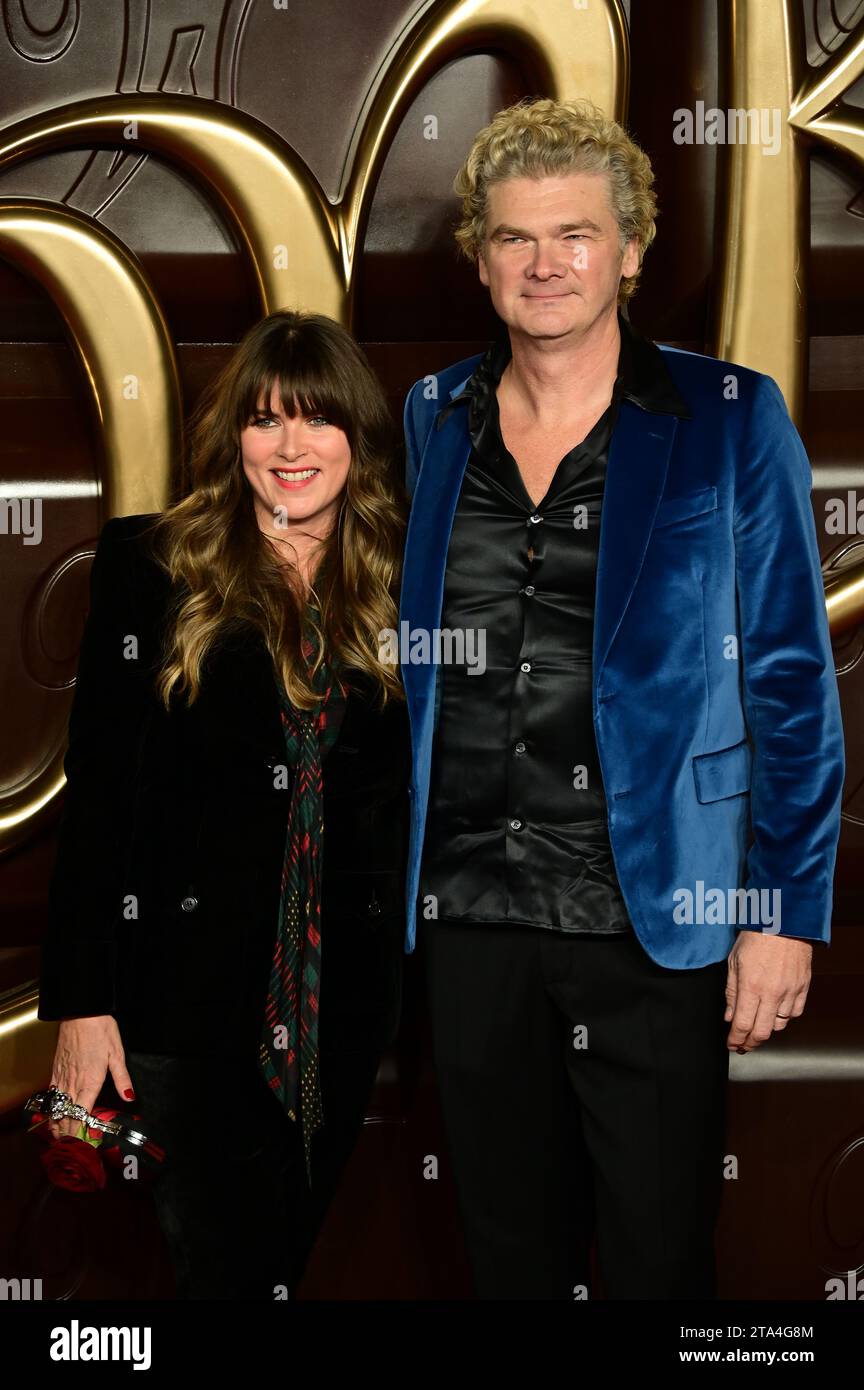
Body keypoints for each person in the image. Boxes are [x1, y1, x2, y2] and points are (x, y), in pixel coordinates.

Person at [398, 97, 845, 1299]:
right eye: (514, 239)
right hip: (472, 919)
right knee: (506, 1262)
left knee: (659, 1263)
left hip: (659, 916)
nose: (544, 264)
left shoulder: (730, 419)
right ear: (481, 259)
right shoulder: (434, 419)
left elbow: (795, 679)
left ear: (632, 251)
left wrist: (783, 911)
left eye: (576, 235)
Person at [38, 308, 411, 1300]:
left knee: (280, 1260)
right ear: (233, 437)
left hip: (341, 1002)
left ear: (357, 439)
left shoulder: (404, 580)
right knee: (217, 1269)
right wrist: (82, 999)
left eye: (316, 421)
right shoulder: (152, 565)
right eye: (264, 420)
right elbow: (102, 795)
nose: (291, 447)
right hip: (181, 1003)